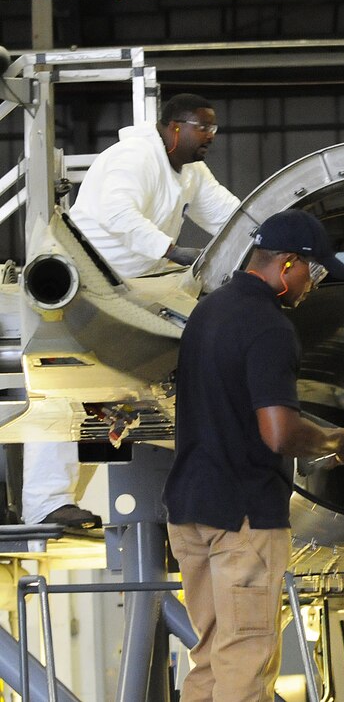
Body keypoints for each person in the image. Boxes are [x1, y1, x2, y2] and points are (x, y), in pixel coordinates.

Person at [164, 208, 344, 702]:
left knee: (211, 659)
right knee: (246, 666)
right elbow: (278, 433)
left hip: (191, 511)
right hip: (242, 518)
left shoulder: (208, 310)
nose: (313, 285)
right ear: (287, 265)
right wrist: (338, 441)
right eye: (313, 271)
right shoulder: (269, 327)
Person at [24, 93, 242, 529]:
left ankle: (59, 503)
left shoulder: (190, 171)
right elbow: (116, 213)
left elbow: (227, 214)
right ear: (175, 128)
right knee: (66, 388)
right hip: (84, 280)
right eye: (204, 129)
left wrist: (270, 233)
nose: (211, 138)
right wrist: (171, 250)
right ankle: (44, 504)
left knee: (110, 395)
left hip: (131, 284)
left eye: (214, 129)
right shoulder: (133, 157)